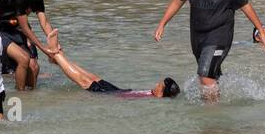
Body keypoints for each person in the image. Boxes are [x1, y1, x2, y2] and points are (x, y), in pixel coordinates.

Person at [154, 0, 265, 100]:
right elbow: (177, 1)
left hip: (219, 37)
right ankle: (220, 111)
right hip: (197, 38)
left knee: (204, 74)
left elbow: (245, 6)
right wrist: (162, 24)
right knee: (211, 76)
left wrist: (260, 30)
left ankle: (212, 117)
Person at [0, 0, 57, 91]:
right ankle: (20, 94)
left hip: (16, 29)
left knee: (34, 67)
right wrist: (45, 50)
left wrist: (54, 44)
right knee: (24, 59)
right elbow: (26, 29)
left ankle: (31, 96)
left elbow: (44, 22)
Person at [46, 45, 179, 98]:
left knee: (85, 81)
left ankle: (56, 55)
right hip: (119, 91)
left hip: (112, 96)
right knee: (92, 76)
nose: (156, 84)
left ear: (161, 93)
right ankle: (59, 60)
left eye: (159, 85)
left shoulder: (153, 98)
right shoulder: (152, 93)